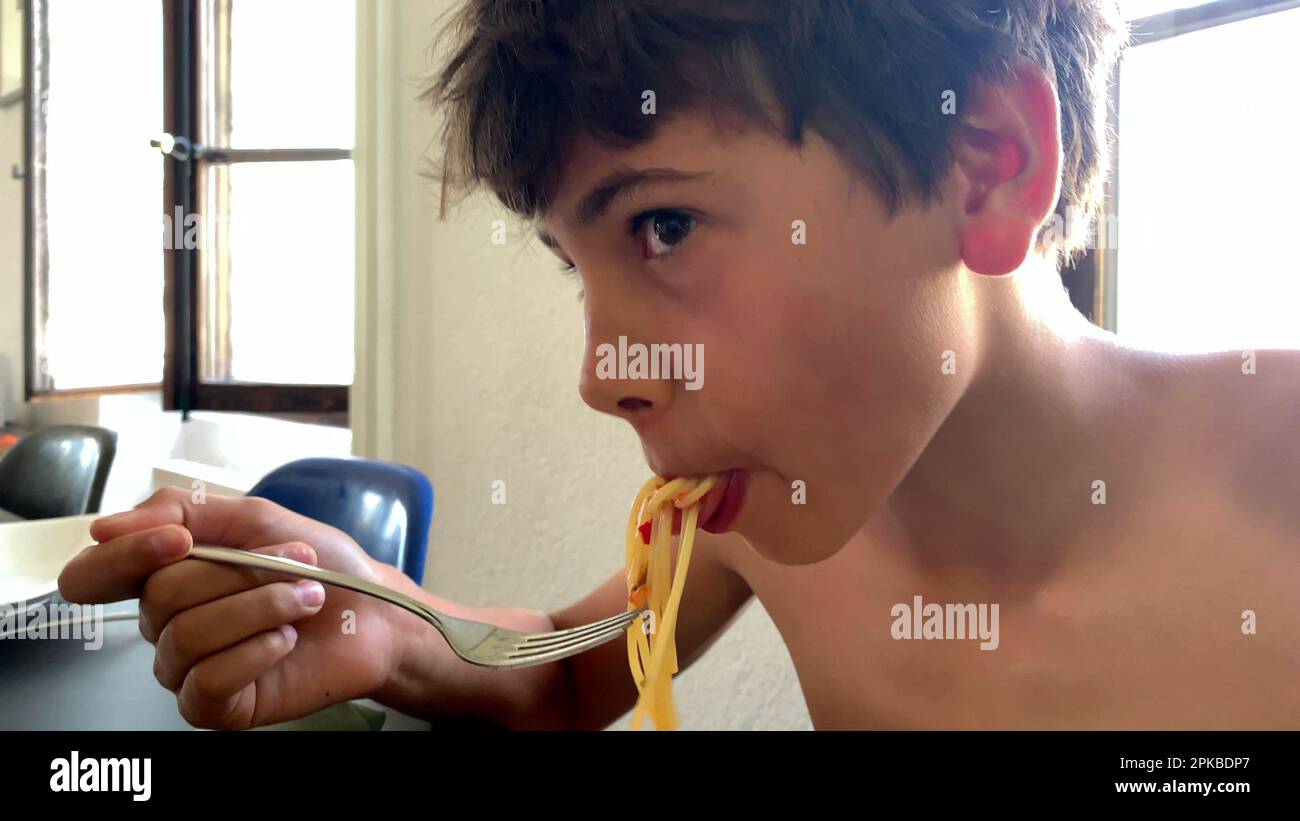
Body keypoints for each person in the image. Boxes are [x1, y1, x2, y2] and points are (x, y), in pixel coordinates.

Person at [60, 0, 1300, 729]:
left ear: (985, 162)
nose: (600, 376)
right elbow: (561, 660)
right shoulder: (766, 509)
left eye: (663, 224)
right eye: (572, 261)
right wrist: (388, 619)